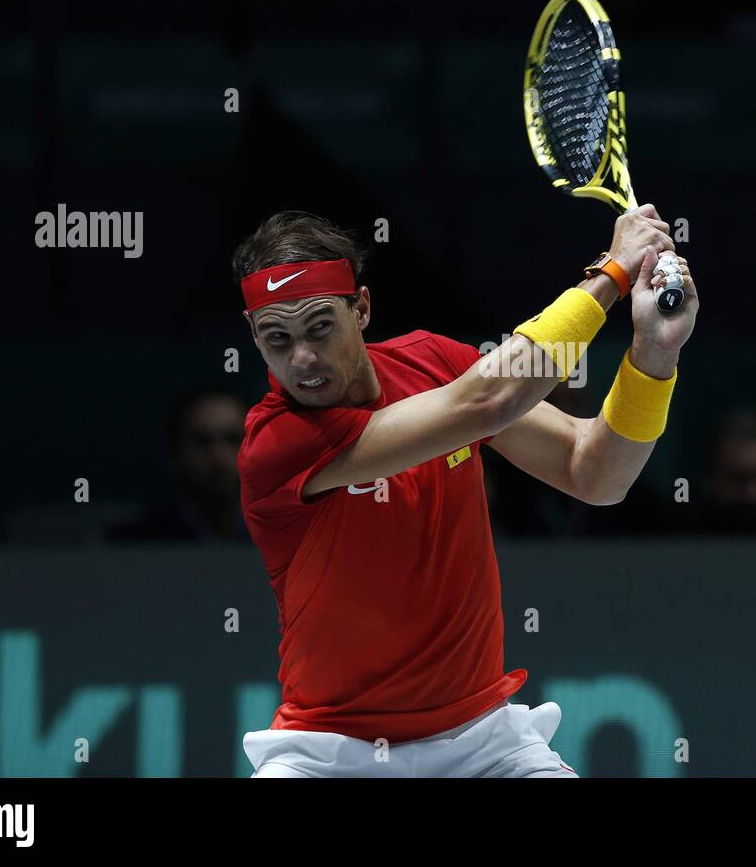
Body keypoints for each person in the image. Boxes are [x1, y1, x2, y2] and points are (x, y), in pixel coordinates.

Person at [233, 208, 697, 777]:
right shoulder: (276, 444)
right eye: (276, 338)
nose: (301, 359)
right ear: (254, 338)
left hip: (483, 745)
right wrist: (613, 274)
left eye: (320, 327)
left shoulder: (432, 364)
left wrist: (653, 355)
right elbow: (487, 400)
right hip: (328, 753)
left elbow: (595, 473)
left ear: (362, 309)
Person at [107, 387, 251, 542]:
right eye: (201, 441)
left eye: (233, 439)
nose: (218, 457)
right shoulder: (135, 542)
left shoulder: (279, 536)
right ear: (176, 453)